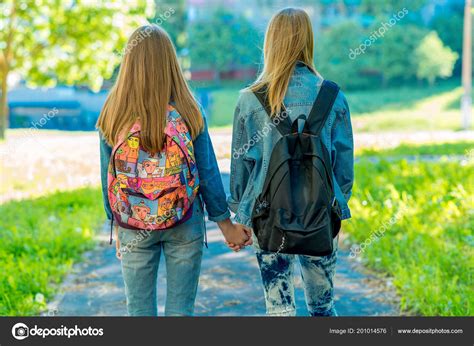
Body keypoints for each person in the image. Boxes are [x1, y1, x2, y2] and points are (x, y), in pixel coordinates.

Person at [97, 25, 251, 316]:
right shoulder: (189, 110)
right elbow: (207, 172)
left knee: (139, 312)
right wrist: (225, 224)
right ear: (171, 64)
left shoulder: (112, 112)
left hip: (134, 223)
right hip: (184, 219)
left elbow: (107, 176)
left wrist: (116, 223)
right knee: (180, 313)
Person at [228, 8, 354, 316]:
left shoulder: (250, 99)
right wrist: (338, 203)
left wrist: (240, 217)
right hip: (320, 215)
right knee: (323, 308)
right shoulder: (333, 96)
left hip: (267, 216)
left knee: (279, 310)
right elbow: (343, 166)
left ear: (271, 43)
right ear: (309, 41)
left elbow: (241, 168)